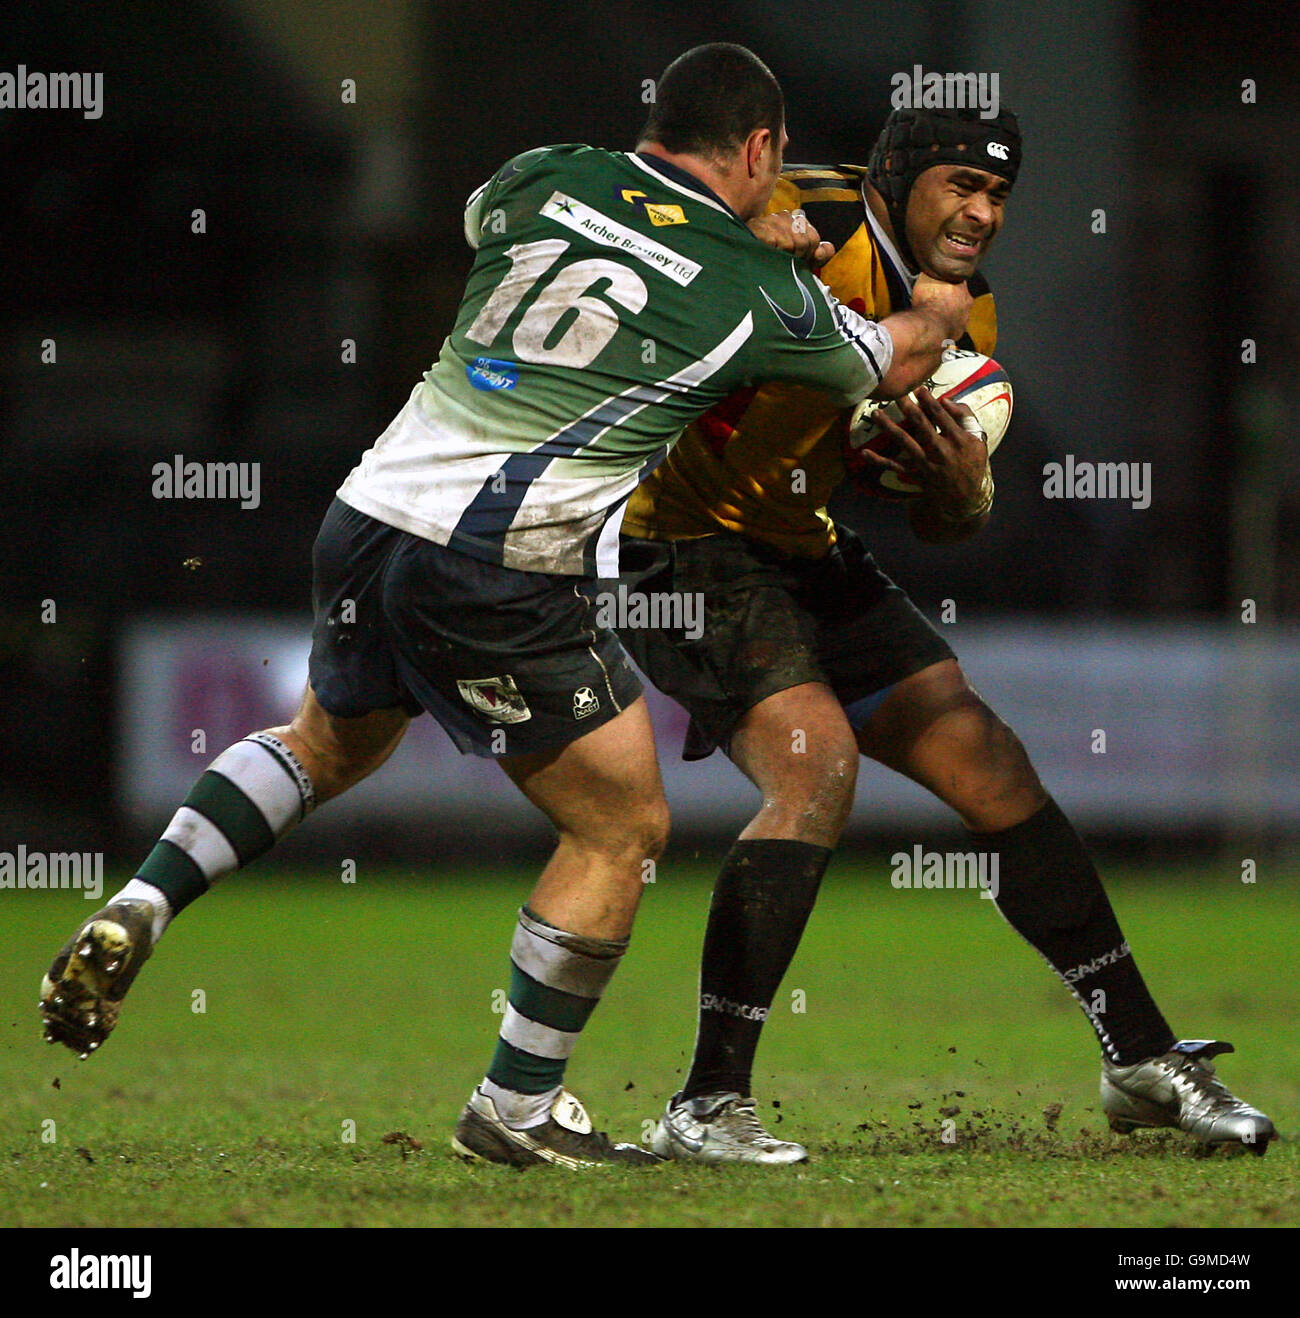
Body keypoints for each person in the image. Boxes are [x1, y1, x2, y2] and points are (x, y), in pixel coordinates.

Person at [38, 46, 973, 1169]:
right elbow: (889, 360)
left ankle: (143, 899)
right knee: (621, 823)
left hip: (369, 512)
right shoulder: (759, 291)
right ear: (763, 150)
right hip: (495, 557)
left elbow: (501, 232)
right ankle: (516, 1106)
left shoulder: (542, 172)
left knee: (327, 744)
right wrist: (935, 301)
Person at [616, 104, 1275, 1164]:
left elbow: (939, 519)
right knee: (815, 764)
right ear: (895, 174)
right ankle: (705, 1102)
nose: (981, 212)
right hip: (672, 541)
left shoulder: (963, 318)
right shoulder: (792, 206)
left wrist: (962, 488)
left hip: (797, 540)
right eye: (961, 184)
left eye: (999, 195)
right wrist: (730, 238)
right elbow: (625, 219)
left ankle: (1140, 1059)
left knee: (988, 760)